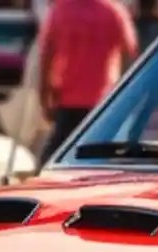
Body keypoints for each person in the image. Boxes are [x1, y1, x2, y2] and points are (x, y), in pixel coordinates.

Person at [36, 0, 138, 167]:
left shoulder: (61, 10)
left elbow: (46, 55)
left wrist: (44, 96)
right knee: (104, 163)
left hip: (68, 100)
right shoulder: (114, 11)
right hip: (105, 102)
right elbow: (131, 53)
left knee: (51, 163)